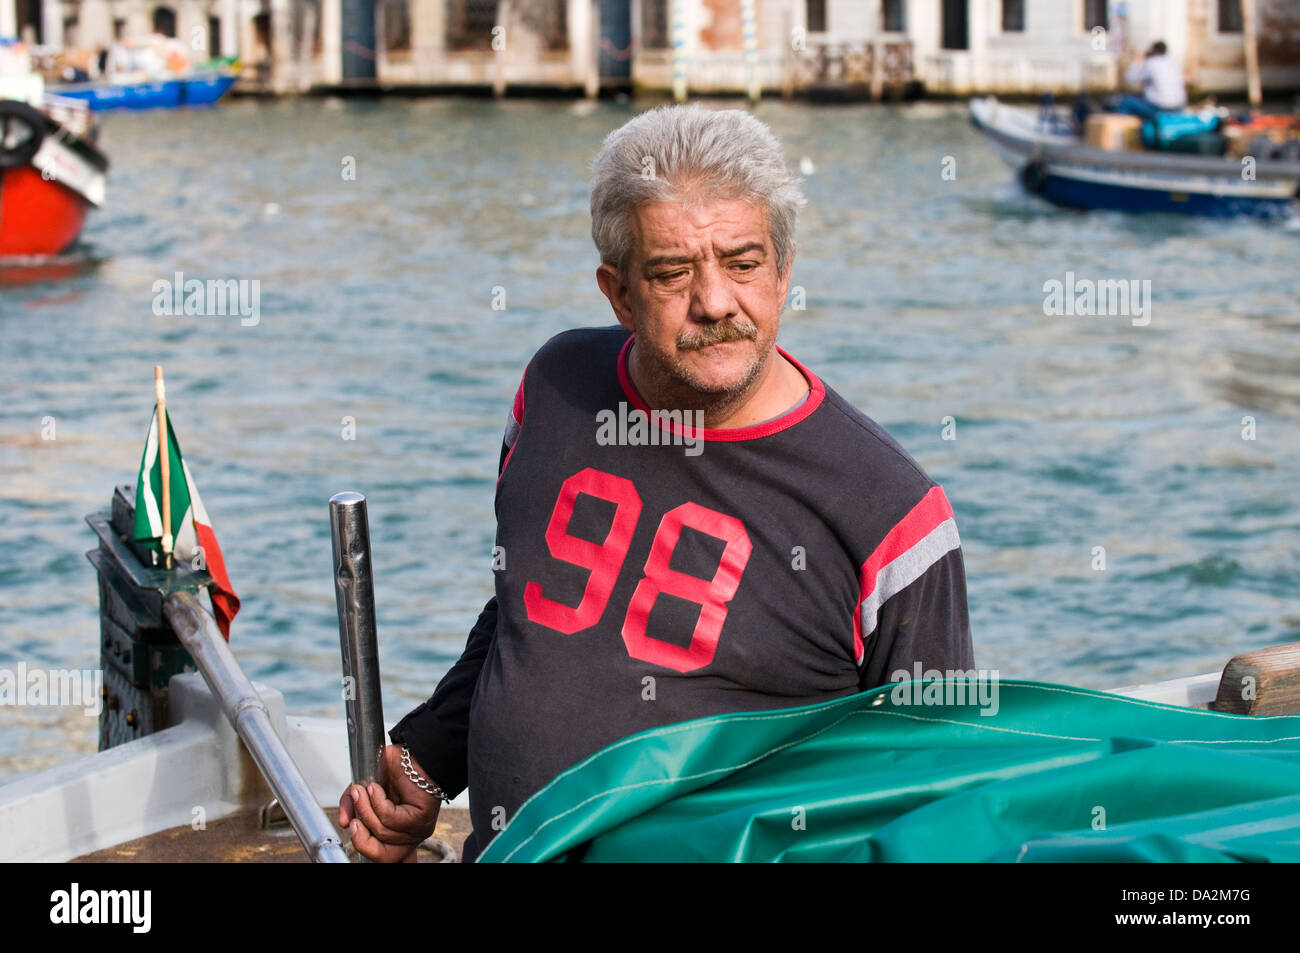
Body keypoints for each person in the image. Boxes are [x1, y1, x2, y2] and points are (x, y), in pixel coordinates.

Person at [339, 105, 975, 863]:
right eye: (674, 272)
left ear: (784, 270)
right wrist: (426, 758)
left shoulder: (891, 512)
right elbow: (529, 611)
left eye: (742, 263)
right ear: (618, 293)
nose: (715, 301)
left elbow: (933, 790)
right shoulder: (554, 386)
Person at [1119, 40, 1187, 118]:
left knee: (1126, 102)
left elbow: (1131, 79)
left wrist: (1138, 60)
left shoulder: (1151, 63)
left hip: (1159, 109)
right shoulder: (1173, 64)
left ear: (1153, 51)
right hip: (1178, 108)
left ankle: (1120, 129)